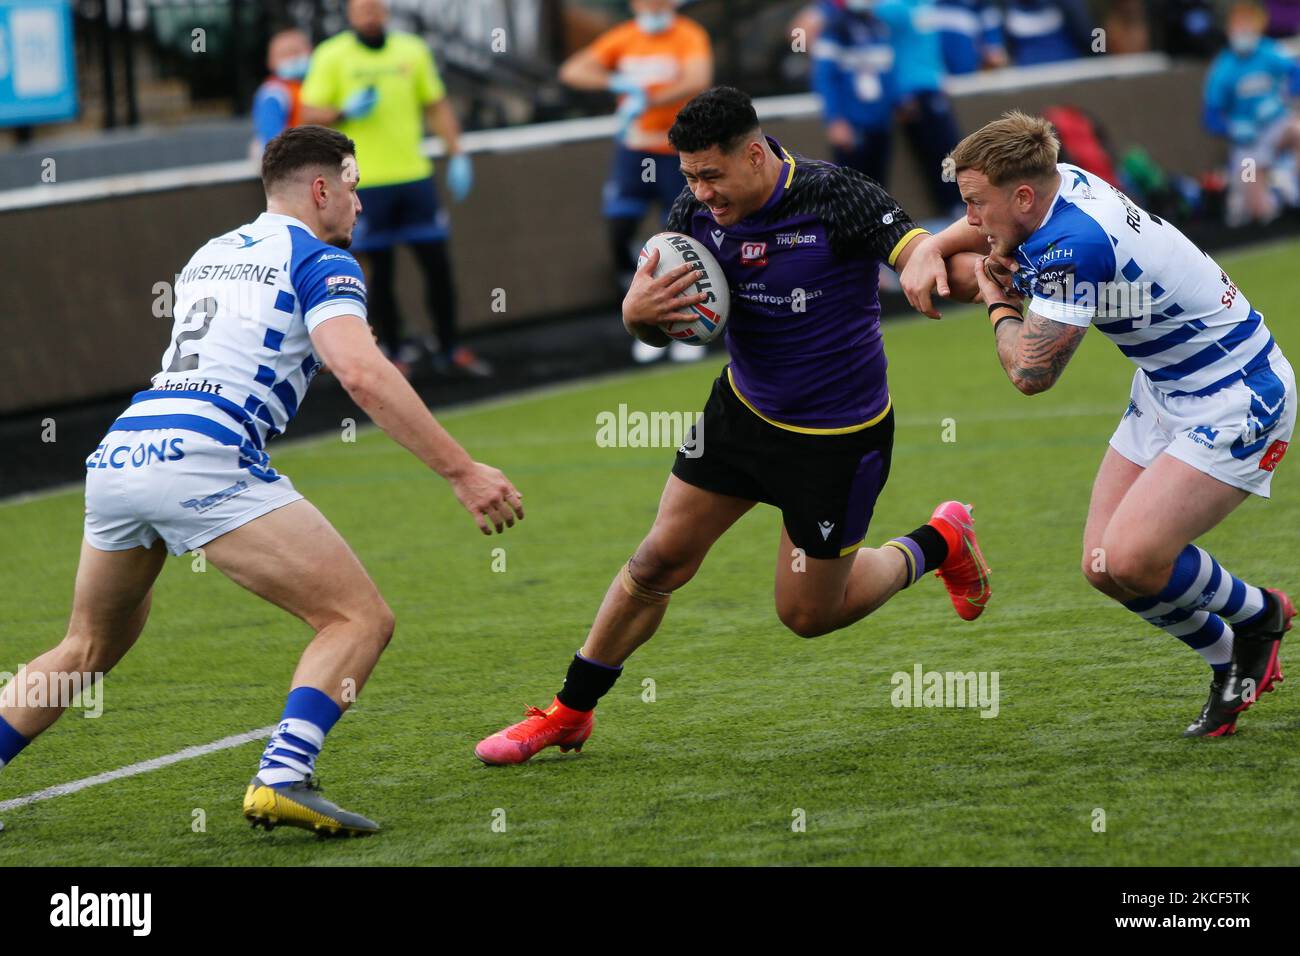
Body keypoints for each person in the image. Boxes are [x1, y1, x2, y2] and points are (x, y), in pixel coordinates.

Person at [0, 126, 524, 836]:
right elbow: (363, 373)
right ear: (321, 189)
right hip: (204, 456)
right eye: (353, 184)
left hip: (123, 452)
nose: (359, 203)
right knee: (358, 619)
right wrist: (462, 471)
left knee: (86, 646)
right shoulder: (324, 263)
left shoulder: (210, 254)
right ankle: (282, 778)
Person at [473, 87, 992, 767]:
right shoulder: (693, 210)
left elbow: (921, 254)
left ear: (755, 155)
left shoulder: (837, 196)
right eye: (688, 175)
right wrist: (636, 313)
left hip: (836, 444)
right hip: (740, 418)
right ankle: (570, 713)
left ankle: (939, 539)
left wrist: (970, 274)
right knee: (658, 559)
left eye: (711, 174)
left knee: (808, 615)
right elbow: (661, 327)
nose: (701, 192)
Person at [900, 111, 1296, 737]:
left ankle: (1258, 617)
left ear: (1023, 195)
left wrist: (997, 298)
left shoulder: (1073, 245)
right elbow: (985, 237)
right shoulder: (1060, 179)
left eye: (976, 203)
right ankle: (1230, 661)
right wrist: (932, 247)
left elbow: (1031, 374)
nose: (971, 218)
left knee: (1136, 560)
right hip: (1165, 388)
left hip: (1236, 394)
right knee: (1102, 565)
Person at [300, 0, 489, 377]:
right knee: (380, 271)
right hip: (364, 184)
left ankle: (449, 348)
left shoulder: (412, 50)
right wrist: (343, 111)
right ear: (350, 13)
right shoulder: (331, 55)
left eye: (375, 6)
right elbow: (309, 112)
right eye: (361, 8)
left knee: (437, 266)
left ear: (385, 10)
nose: (369, 13)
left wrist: (458, 153)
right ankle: (394, 352)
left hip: (414, 178)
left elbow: (435, 104)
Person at [558, 0, 713, 365]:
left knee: (679, 241)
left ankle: (688, 328)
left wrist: (648, 97)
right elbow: (573, 70)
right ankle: (648, 320)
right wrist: (614, 80)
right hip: (634, 152)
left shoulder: (688, 35)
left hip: (676, 152)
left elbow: (696, 78)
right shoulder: (624, 38)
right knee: (620, 229)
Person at [1203, 1, 1300, 226]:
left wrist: (1284, 96)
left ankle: (1293, 183)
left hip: (1276, 126)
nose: (1243, 31)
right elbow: (1210, 116)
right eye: (1238, 26)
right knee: (1256, 208)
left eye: (1248, 25)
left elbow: (1296, 73)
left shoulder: (1269, 51)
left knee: (1298, 130)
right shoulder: (1222, 68)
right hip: (1248, 143)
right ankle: (1276, 200)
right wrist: (1233, 128)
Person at [812, 0, 898, 186]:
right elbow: (825, 79)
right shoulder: (836, 28)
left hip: (880, 122)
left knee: (879, 188)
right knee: (852, 190)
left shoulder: (878, 26)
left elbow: (887, 73)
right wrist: (835, 120)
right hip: (853, 124)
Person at [251, 27, 313, 154]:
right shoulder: (274, 92)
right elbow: (271, 135)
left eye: (296, 52)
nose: (292, 58)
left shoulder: (311, 84)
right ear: (270, 62)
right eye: (284, 54)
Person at [1002, 0, 1092, 66]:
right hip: (1026, 80)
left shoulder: (1068, 4)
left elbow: (1088, 38)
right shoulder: (1004, 7)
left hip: (1070, 73)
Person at [933, 0, 1008, 75]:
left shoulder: (986, 10)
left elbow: (995, 55)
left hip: (968, 75)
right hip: (934, 77)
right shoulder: (928, 6)